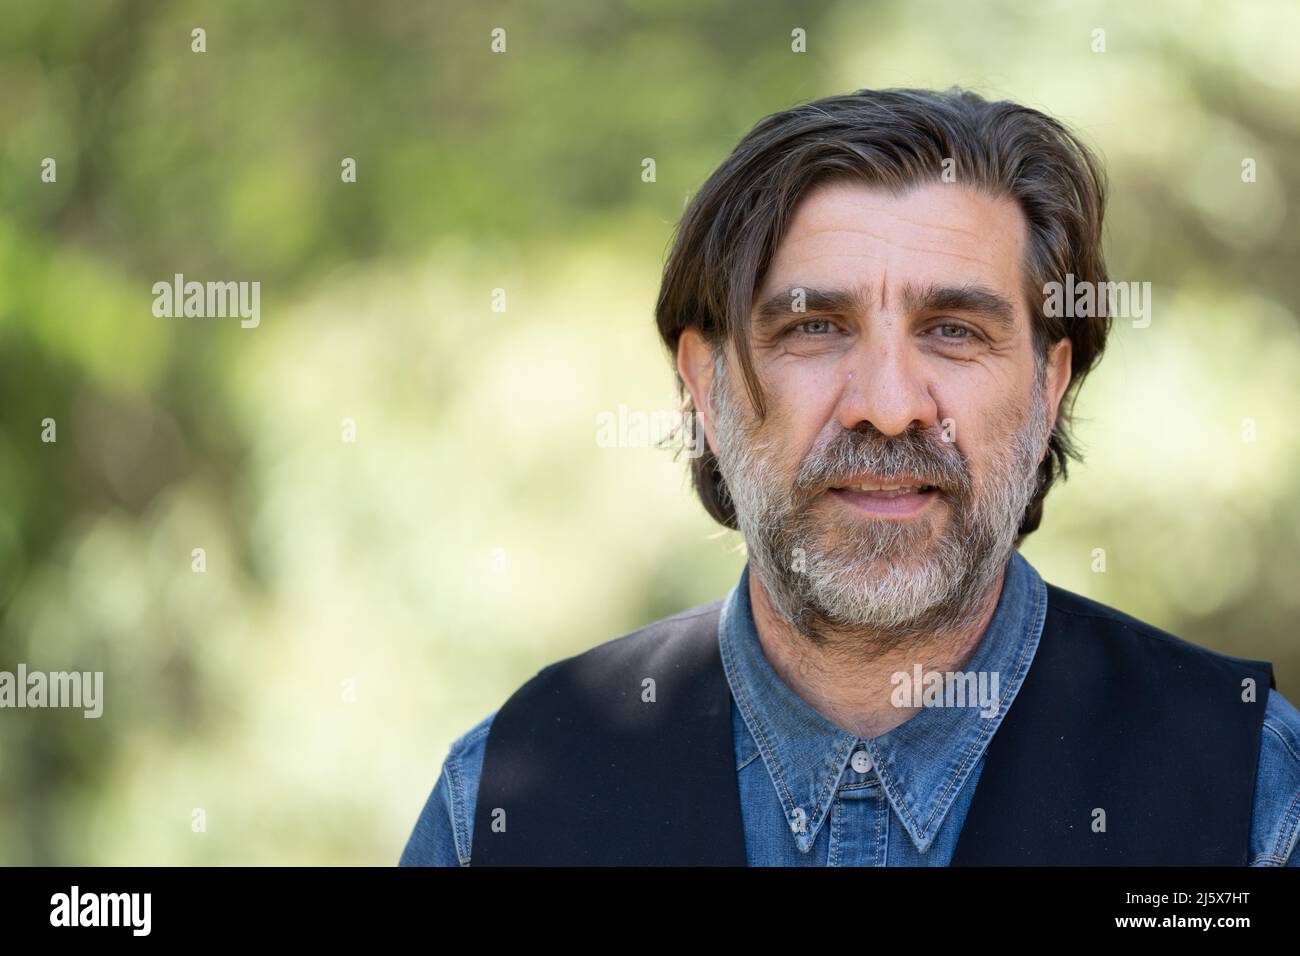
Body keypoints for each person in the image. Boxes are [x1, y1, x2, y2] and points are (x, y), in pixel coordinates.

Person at [400, 87, 1300, 866]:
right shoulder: (503, 807)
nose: (889, 404)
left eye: (953, 328)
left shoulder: (1255, 797)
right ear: (702, 385)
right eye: (815, 328)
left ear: (1049, 387)